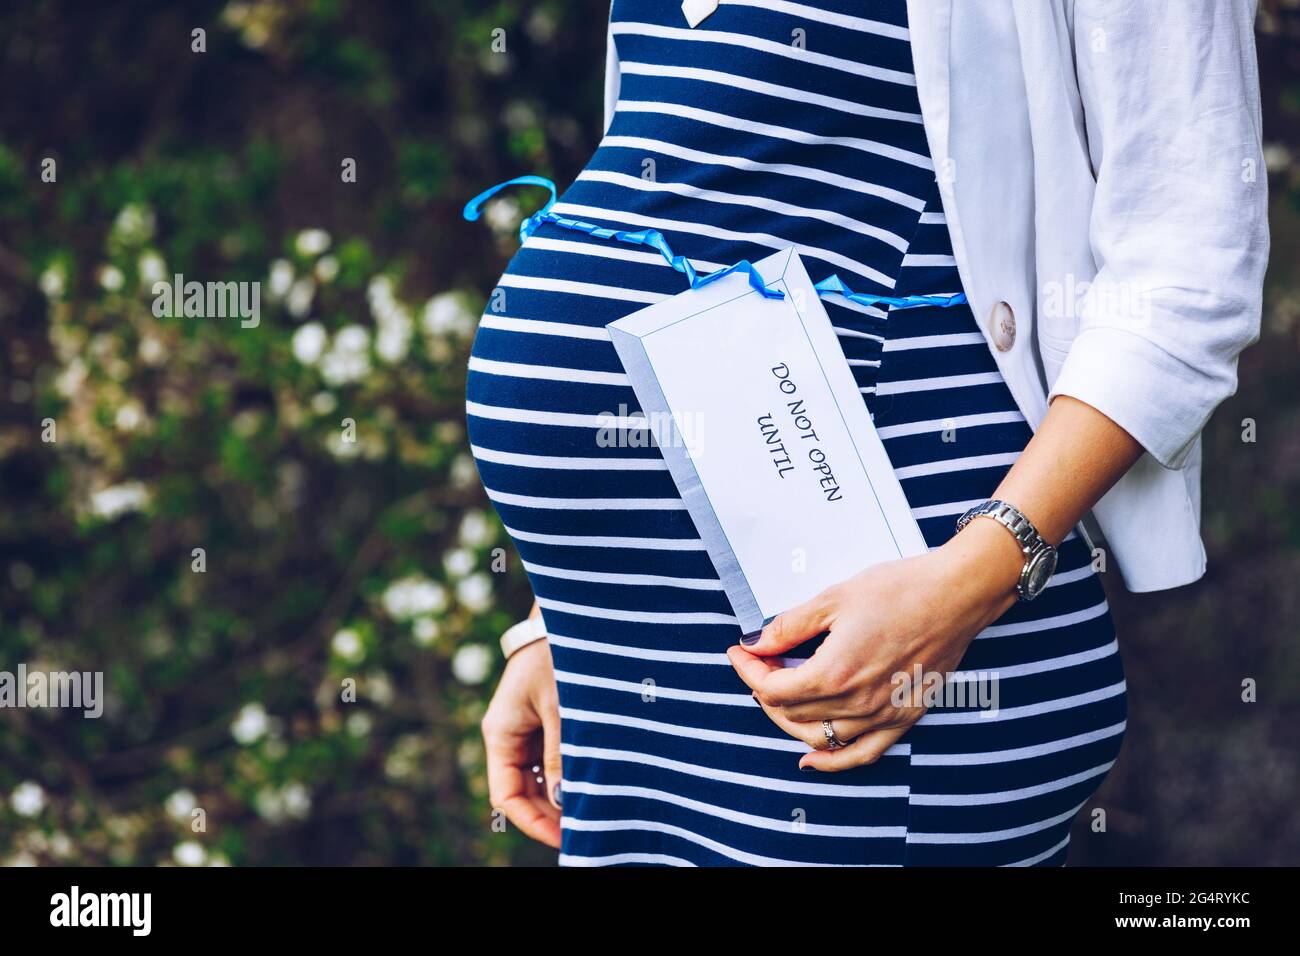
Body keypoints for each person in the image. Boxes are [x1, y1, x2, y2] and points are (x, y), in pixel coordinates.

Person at [469, 0, 1267, 865]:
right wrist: (573, 612)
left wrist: (973, 580)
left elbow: (1189, 264)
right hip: (630, 671)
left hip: (890, 661)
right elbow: (684, 201)